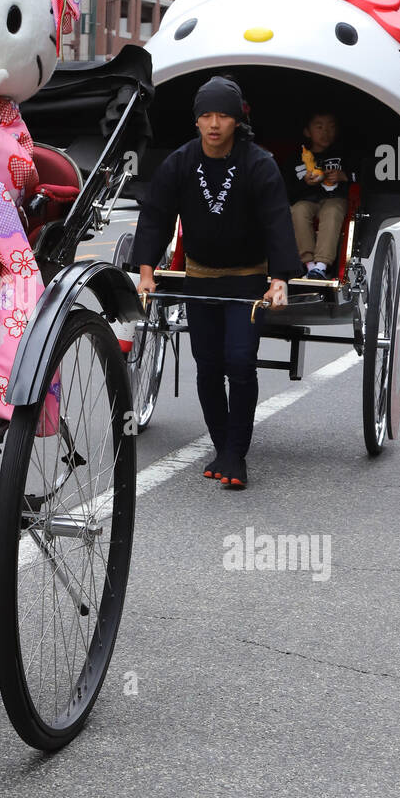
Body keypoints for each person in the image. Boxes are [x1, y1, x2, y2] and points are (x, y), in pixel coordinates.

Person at [132, 75, 301, 489]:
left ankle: (234, 455)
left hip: (246, 283)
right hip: (200, 279)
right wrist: (147, 274)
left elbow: (277, 219)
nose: (213, 123)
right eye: (205, 115)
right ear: (195, 121)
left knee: (240, 363)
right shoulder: (181, 161)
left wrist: (279, 279)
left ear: (236, 120)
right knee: (207, 366)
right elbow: (156, 215)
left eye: (222, 115)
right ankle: (224, 446)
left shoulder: (257, 163)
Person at [283, 111, 354, 280]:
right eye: (319, 127)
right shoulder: (296, 158)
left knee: (332, 211)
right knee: (298, 211)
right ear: (307, 132)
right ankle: (310, 266)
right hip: (306, 199)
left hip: (334, 198)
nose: (325, 132)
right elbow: (287, 189)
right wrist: (305, 182)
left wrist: (343, 176)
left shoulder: (345, 153)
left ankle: (322, 265)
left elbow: (362, 176)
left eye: (331, 127)